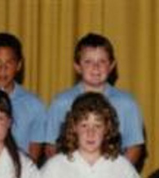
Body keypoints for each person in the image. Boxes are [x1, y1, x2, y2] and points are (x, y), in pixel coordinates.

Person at [42, 33, 145, 165]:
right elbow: (51, 147)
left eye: (102, 61)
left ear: (111, 65)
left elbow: (134, 147)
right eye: (88, 62)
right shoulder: (61, 102)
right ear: (77, 67)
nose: (96, 67)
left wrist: (117, 173)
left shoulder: (127, 103)